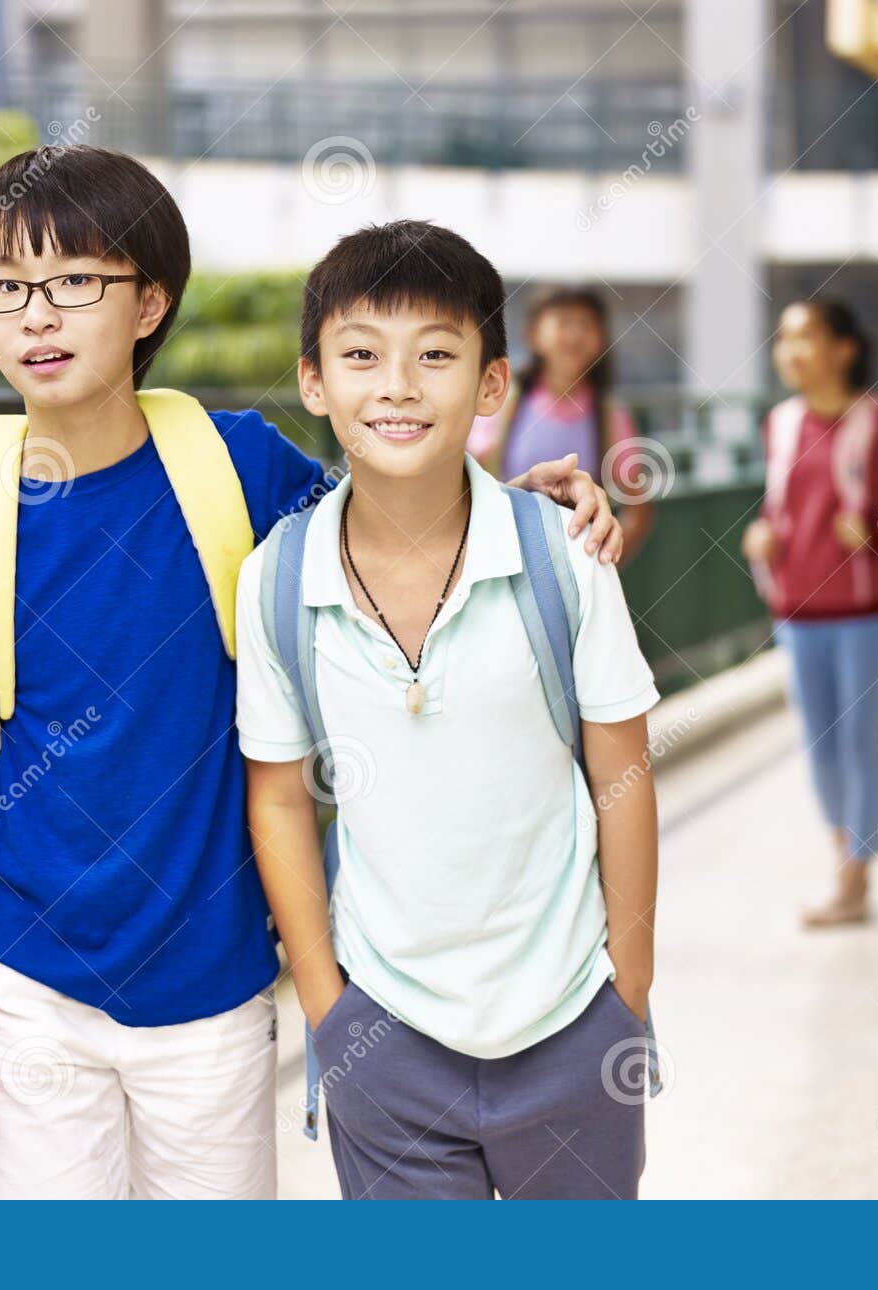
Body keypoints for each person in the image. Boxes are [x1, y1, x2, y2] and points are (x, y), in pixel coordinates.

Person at [0, 146, 625, 1199]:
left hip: (217, 982)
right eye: (5, 288)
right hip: (20, 984)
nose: (36, 316)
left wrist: (522, 500)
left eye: (74, 283)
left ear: (149, 306)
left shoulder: (237, 467)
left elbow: (387, 523)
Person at [237, 219, 660, 1199]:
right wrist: (325, 1007)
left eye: (435, 354)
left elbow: (623, 775)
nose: (396, 385)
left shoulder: (565, 557)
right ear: (312, 382)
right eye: (359, 356)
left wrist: (625, 995)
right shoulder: (277, 580)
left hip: (572, 1029)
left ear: (492, 384)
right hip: (381, 1040)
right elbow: (279, 798)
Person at [741, 298, 878, 928]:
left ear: (845, 349)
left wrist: (876, 525)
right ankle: (842, 856)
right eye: (783, 340)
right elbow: (783, 505)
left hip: (866, 612)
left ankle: (855, 875)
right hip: (796, 610)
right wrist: (762, 536)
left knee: (858, 740)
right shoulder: (780, 423)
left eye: (804, 338)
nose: (789, 352)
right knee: (820, 743)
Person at [469, 284, 656, 562]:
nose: (574, 335)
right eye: (563, 322)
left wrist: (602, 570)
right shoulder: (499, 405)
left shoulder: (611, 417)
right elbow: (465, 479)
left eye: (585, 324)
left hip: (575, 571)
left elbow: (639, 511)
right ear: (533, 334)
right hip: (501, 562)